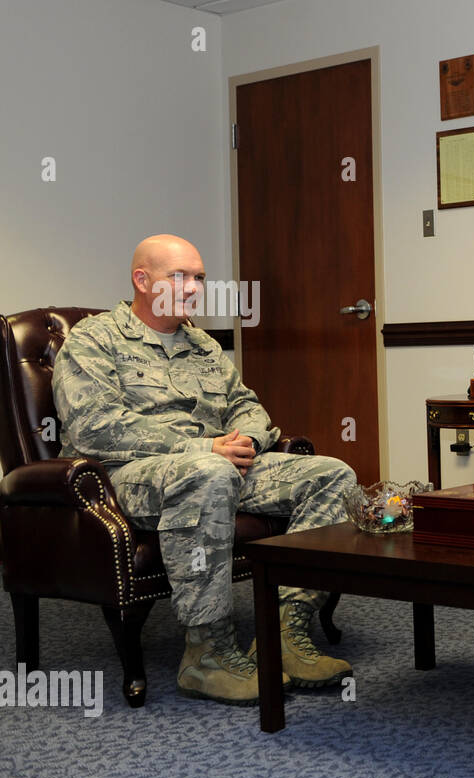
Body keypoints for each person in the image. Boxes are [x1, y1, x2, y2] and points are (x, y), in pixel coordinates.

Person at [52, 235, 357, 705]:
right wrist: (203, 446)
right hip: (130, 477)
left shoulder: (202, 345)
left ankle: (284, 631)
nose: (195, 287)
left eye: (199, 277)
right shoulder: (94, 340)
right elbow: (95, 426)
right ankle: (206, 655)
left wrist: (246, 440)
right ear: (142, 280)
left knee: (331, 474)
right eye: (180, 276)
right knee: (206, 472)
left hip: (217, 463)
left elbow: (246, 405)